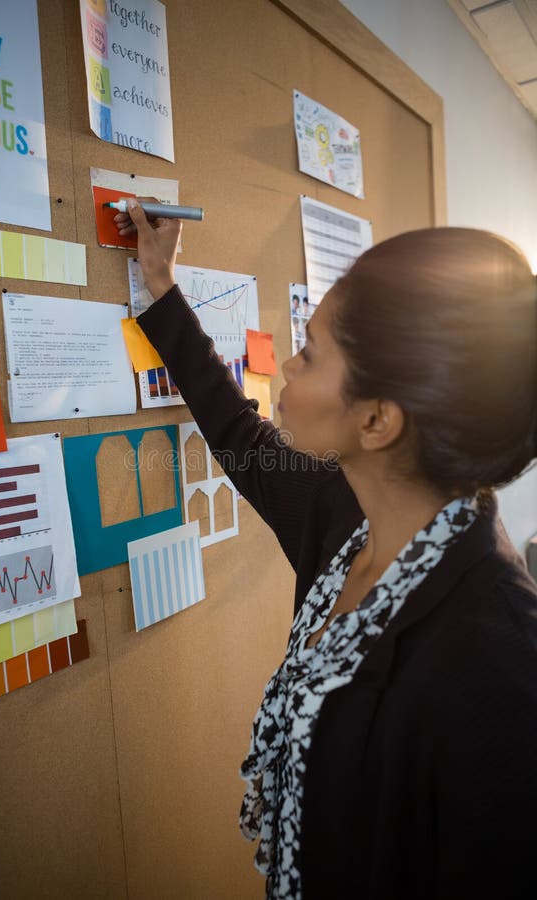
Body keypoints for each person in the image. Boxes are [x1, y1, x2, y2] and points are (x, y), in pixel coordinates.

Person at [116, 199, 537, 900]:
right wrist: (162, 285)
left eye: (310, 352)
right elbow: (240, 437)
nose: (285, 365)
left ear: (376, 419)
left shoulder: (501, 663)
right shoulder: (348, 513)